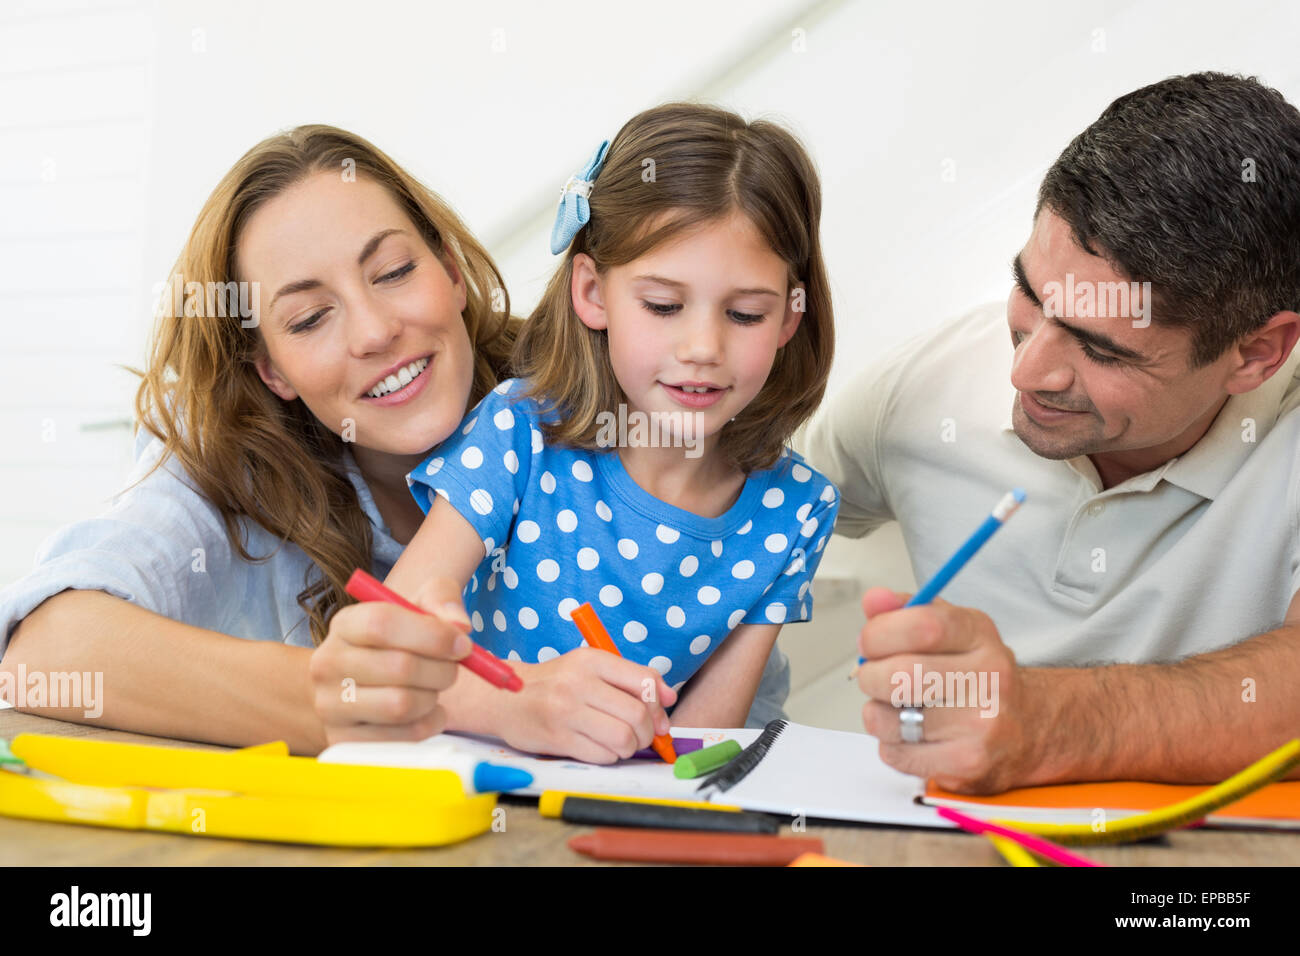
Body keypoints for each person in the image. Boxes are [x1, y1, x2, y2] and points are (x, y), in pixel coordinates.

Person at [0, 123, 792, 752]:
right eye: (309, 318)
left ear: (450, 269)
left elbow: (716, 727)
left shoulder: (600, 409)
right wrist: (475, 702)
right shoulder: (225, 472)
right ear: (271, 368)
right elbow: (42, 660)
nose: (377, 330)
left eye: (393, 272)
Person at [800, 72, 1300, 793]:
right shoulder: (921, 390)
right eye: (1030, 295)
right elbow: (727, 513)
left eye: (1101, 349)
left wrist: (1048, 723)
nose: (1026, 373)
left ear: (1256, 353)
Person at [383, 103, 839, 762]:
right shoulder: (519, 433)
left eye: (745, 314)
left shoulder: (796, 511)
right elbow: (391, 649)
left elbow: (701, 753)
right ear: (593, 292)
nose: (703, 347)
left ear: (790, 319)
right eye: (663, 306)